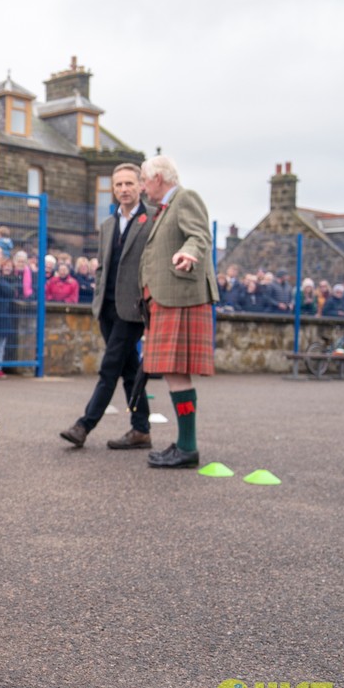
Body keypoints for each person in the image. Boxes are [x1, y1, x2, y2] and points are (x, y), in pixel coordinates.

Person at [60, 163, 153, 451]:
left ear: (140, 185)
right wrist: (98, 297)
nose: (123, 189)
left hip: (132, 309)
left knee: (109, 367)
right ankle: (141, 430)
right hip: (107, 308)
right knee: (128, 369)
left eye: (129, 184)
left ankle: (83, 425)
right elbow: (102, 266)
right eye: (118, 185)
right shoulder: (108, 224)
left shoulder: (151, 219)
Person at [138, 154, 219, 468]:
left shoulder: (185, 198)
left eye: (145, 180)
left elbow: (200, 235)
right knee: (174, 372)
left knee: (176, 371)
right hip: (165, 299)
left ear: (158, 178)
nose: (144, 188)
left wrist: (188, 252)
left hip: (180, 298)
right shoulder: (165, 208)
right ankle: (185, 444)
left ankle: (188, 447)